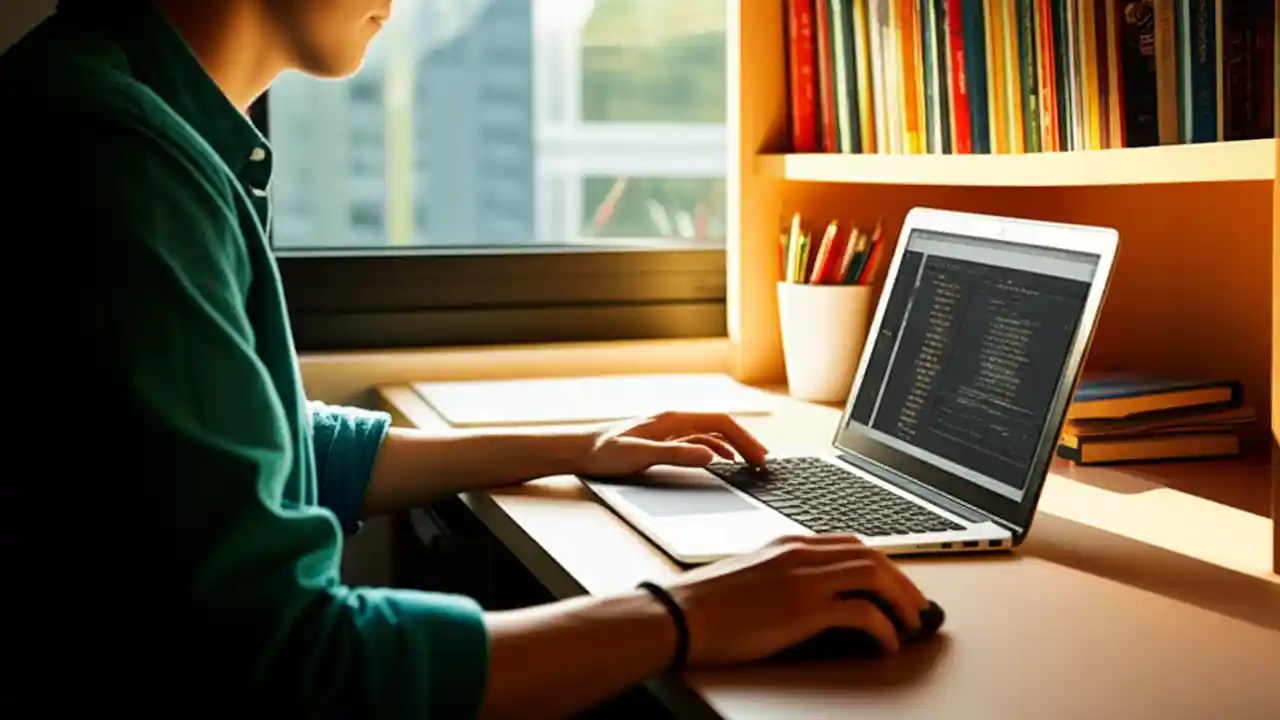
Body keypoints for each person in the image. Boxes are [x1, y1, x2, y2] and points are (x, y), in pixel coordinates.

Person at [0, 1, 932, 717]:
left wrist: (579, 445)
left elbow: (269, 442)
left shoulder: (132, 116)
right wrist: (683, 614)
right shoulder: (115, 161)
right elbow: (282, 664)